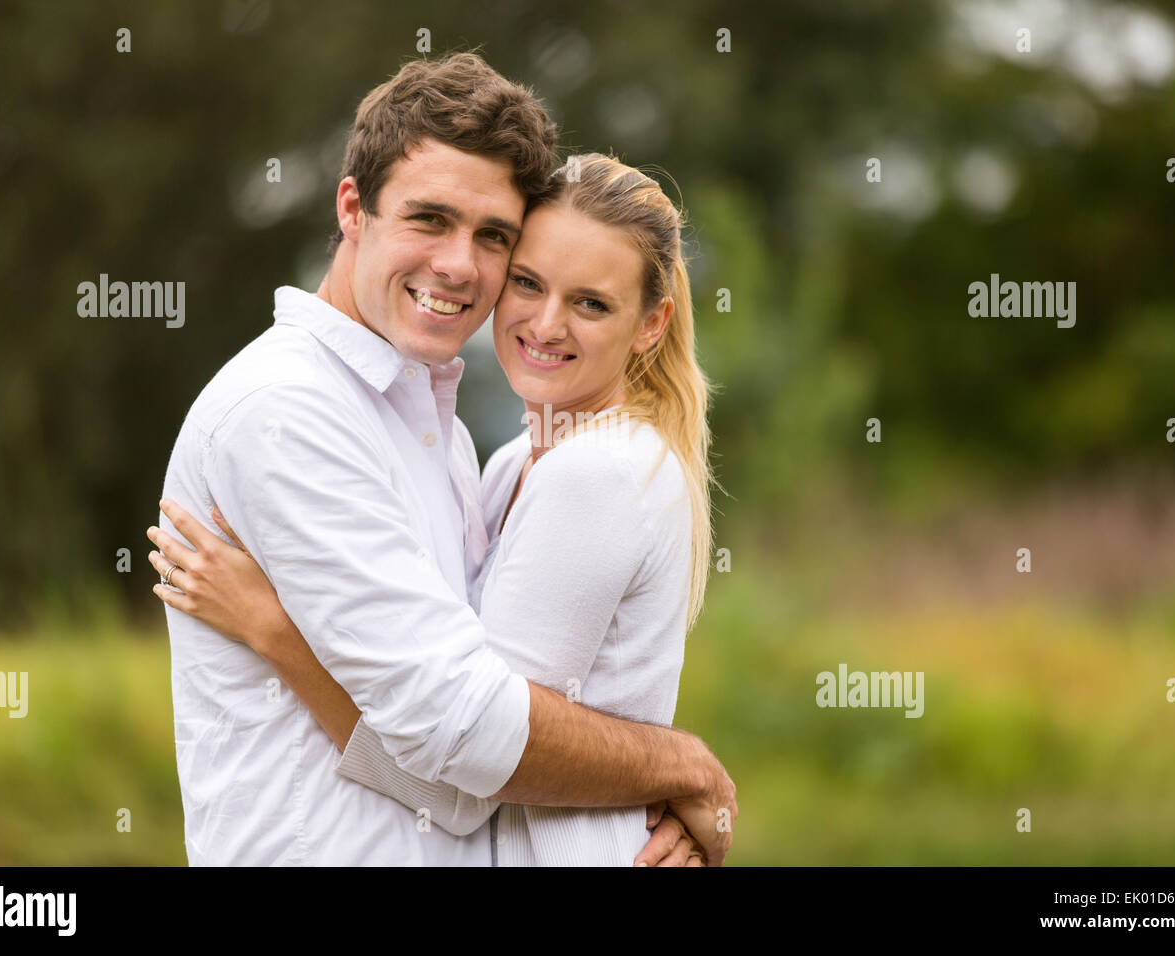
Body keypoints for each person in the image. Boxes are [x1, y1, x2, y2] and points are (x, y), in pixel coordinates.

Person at [148, 52, 735, 866]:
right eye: (430, 219)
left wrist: (280, 633)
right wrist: (681, 766)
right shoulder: (287, 412)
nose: (460, 265)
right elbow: (467, 746)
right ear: (353, 208)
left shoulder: (452, 440)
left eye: (492, 237)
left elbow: (470, 765)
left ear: (649, 322)